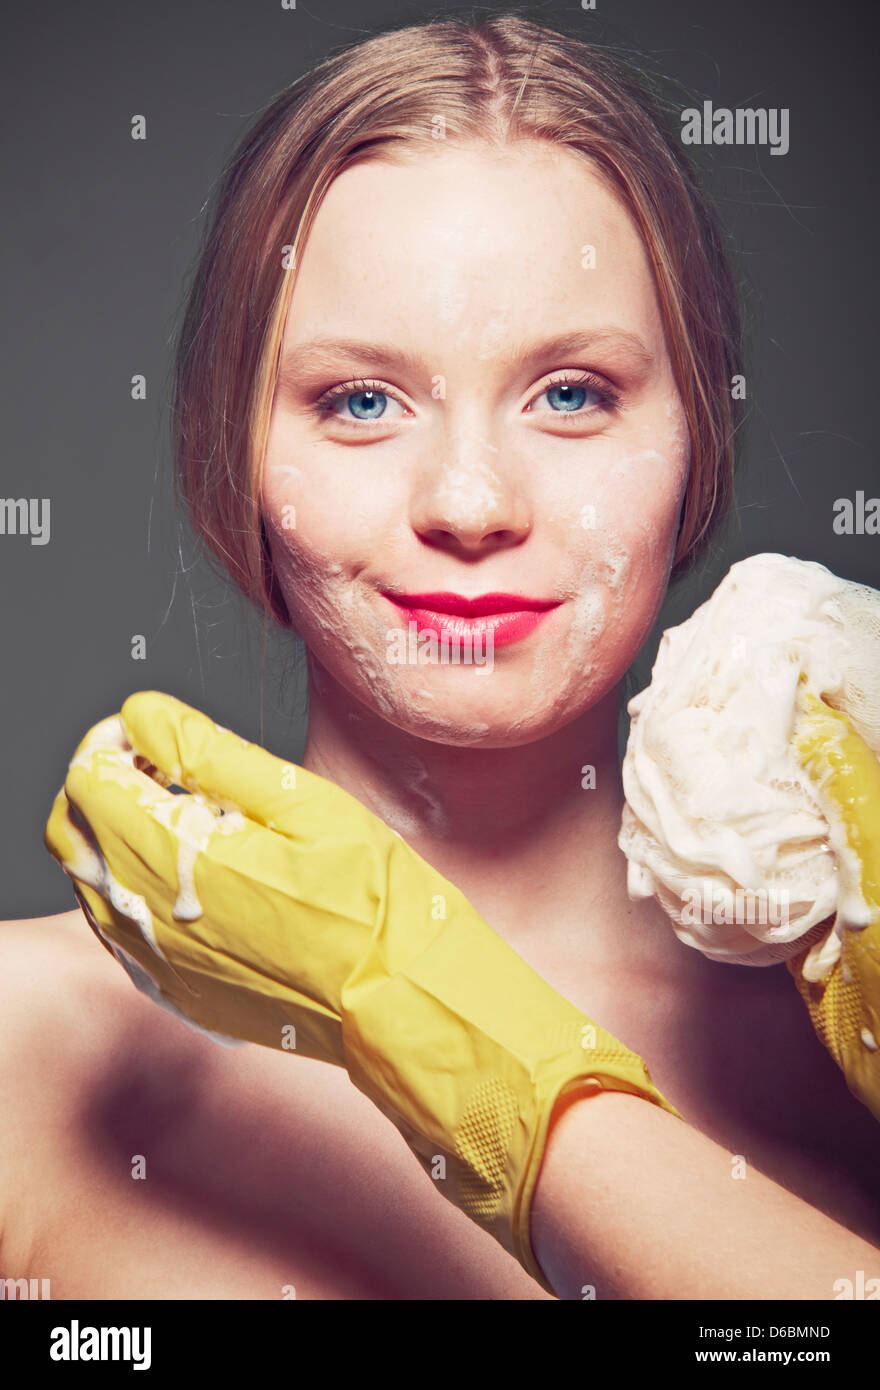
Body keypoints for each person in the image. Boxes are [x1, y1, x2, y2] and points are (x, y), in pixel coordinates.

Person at [4, 14, 879, 1300]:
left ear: (695, 436)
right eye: (360, 401)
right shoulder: (28, 1055)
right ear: (229, 454)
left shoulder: (841, 1042)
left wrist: (442, 1023)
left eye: (571, 392)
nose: (470, 502)